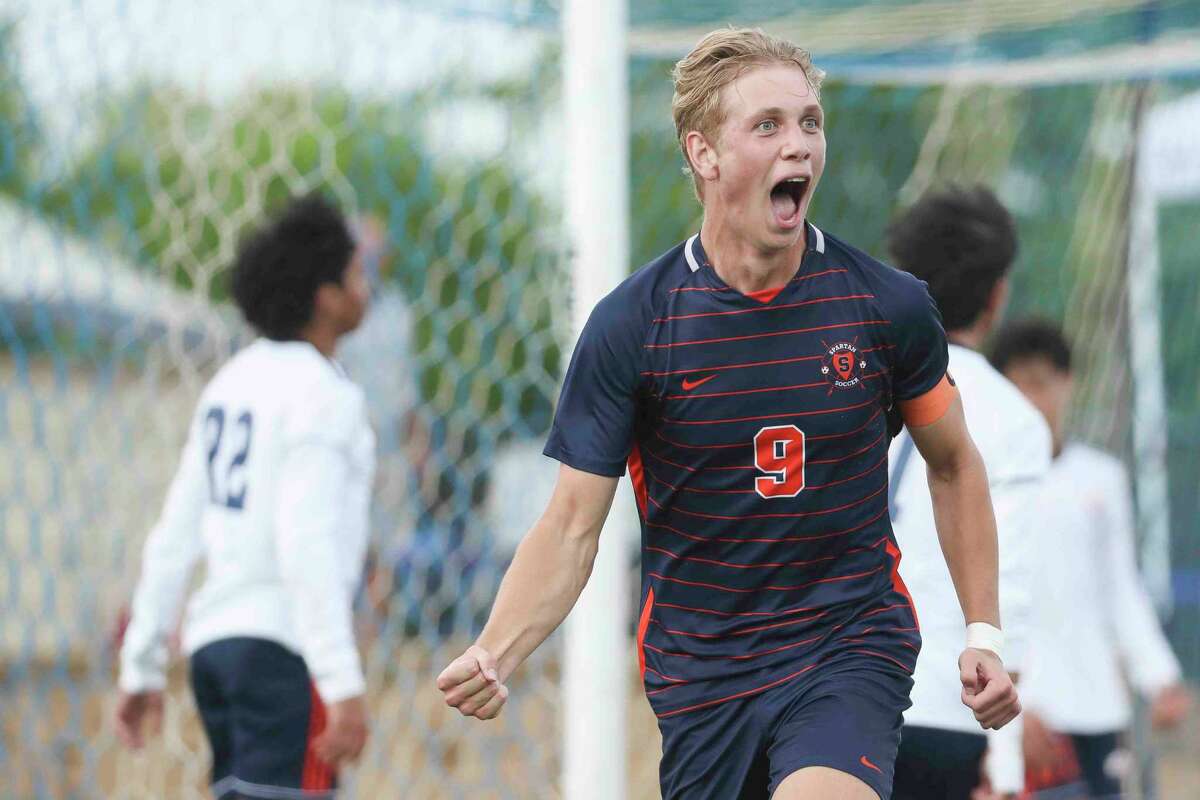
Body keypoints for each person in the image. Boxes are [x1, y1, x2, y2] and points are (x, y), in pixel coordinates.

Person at [437, 27, 1019, 800]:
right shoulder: (633, 327)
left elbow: (953, 463)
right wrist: (495, 651)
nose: (799, 145)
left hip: (848, 649)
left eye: (810, 121)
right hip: (702, 678)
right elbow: (572, 526)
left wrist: (983, 629)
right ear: (704, 155)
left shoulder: (886, 305)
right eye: (767, 125)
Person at [114, 195, 376, 800]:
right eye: (357, 274)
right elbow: (305, 539)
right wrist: (340, 678)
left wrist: (142, 663)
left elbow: (175, 536)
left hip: (216, 654)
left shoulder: (229, 385)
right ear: (327, 295)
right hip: (283, 651)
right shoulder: (323, 394)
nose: (368, 286)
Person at [884, 186, 1052, 800]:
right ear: (997, 294)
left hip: (832, 711)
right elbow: (1012, 591)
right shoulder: (1012, 418)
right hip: (946, 712)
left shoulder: (852, 384)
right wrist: (1005, 763)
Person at [990, 319, 1191, 799]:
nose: (1031, 401)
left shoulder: (1101, 479)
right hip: (1019, 711)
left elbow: (1120, 588)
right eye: (1016, 387)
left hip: (1095, 704)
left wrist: (1160, 676)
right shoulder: (979, 484)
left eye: (1040, 383)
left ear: (1067, 383)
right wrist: (1008, 705)